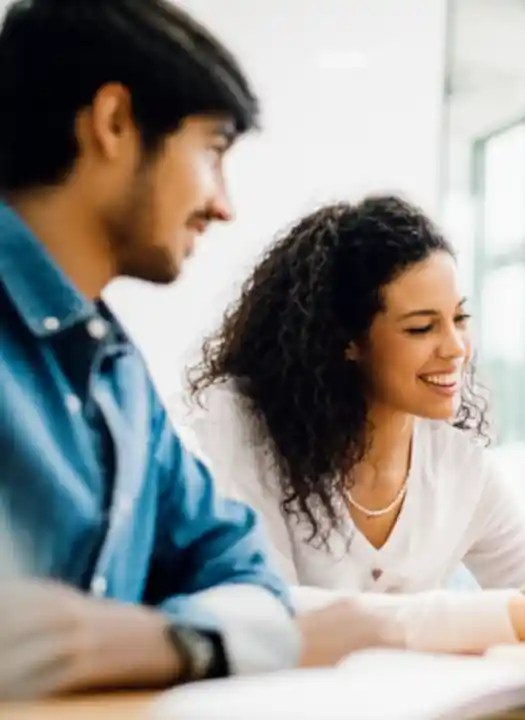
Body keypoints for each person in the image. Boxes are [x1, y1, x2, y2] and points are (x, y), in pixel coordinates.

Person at [185, 196, 525, 663]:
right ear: (346, 341)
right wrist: (508, 618)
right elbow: (267, 610)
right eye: (422, 328)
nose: (455, 348)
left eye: (459, 319)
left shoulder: (459, 462)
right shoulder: (241, 427)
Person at [0, 0, 297, 700]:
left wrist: (169, 642)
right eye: (213, 150)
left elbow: (251, 578)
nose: (224, 204)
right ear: (114, 123)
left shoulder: (121, 381)